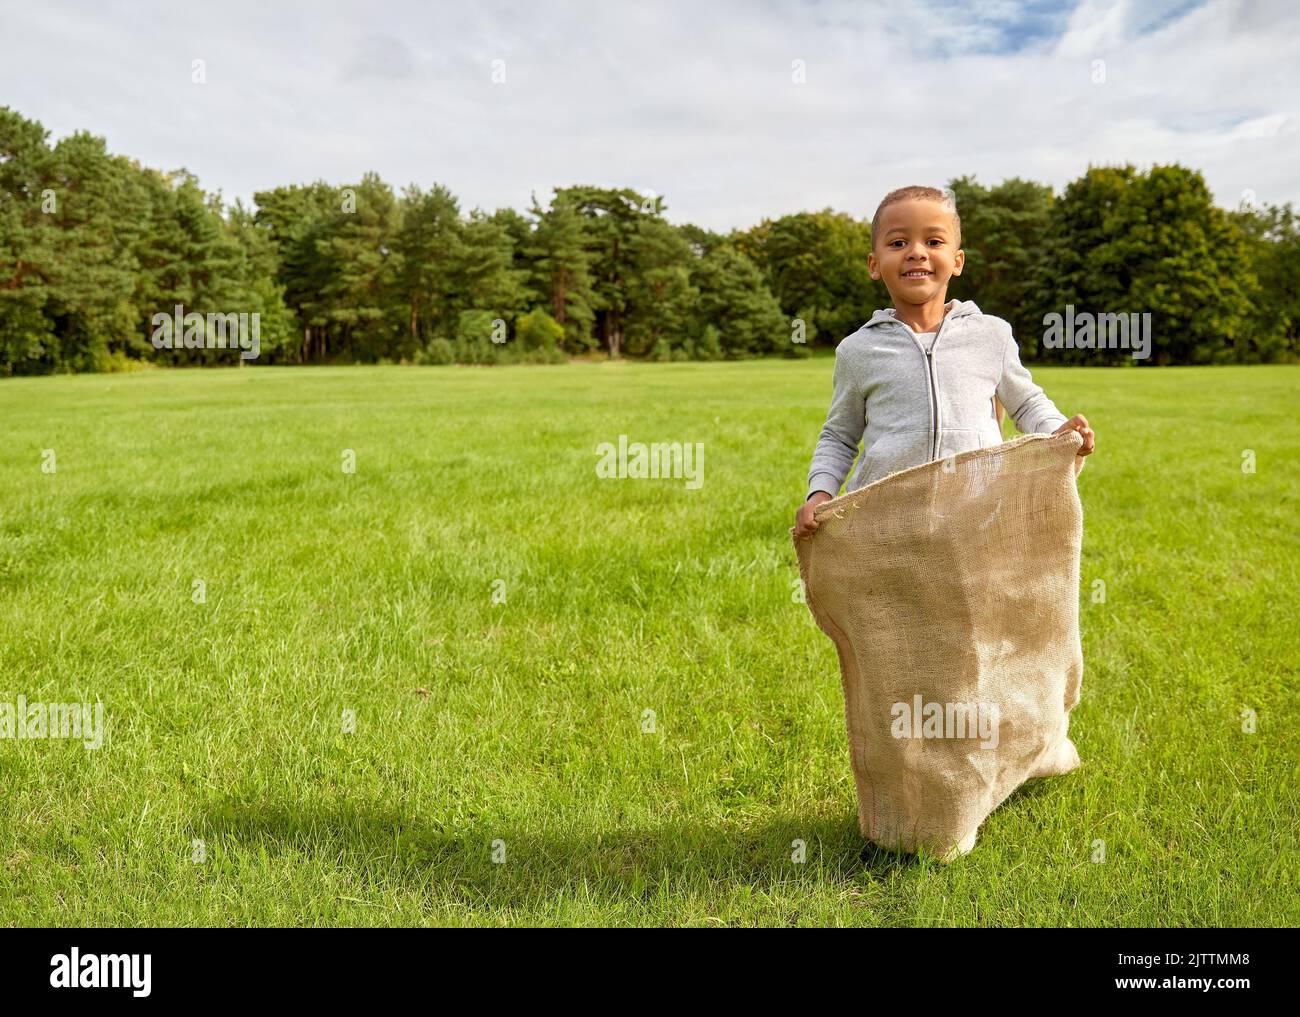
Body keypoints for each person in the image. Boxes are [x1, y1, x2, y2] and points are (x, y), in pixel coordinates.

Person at [794, 185, 1095, 540]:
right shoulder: (858, 350)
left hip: (978, 516)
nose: (916, 253)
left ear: (957, 261)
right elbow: (839, 436)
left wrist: (1058, 429)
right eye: (898, 243)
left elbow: (1027, 403)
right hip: (885, 523)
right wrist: (820, 494)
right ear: (874, 264)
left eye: (934, 242)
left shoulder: (991, 335)